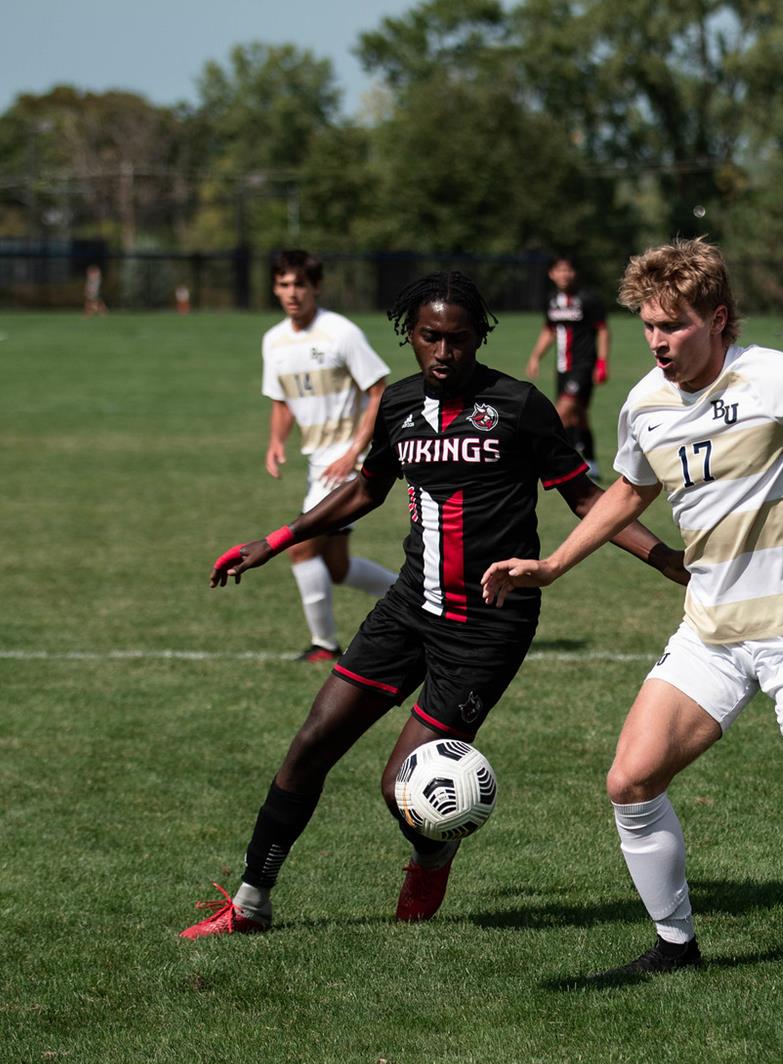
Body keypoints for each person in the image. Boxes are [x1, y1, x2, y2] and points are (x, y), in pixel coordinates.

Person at [183, 272, 688, 938]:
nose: (443, 352)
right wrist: (278, 538)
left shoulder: (518, 406)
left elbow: (590, 499)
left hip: (487, 626)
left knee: (403, 789)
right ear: (411, 335)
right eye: (429, 337)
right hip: (408, 608)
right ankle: (250, 901)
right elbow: (366, 490)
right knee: (310, 744)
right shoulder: (397, 405)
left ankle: (434, 850)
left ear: (479, 337)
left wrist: (670, 563)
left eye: (457, 338)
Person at [483, 239, 783, 978]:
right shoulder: (644, 406)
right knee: (629, 779)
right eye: (649, 327)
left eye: (674, 325)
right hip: (712, 634)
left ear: (718, 318)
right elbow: (629, 491)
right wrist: (555, 565)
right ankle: (676, 945)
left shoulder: (772, 378)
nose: (658, 341)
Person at [259, 250, 401, 661]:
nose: (292, 293)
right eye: (284, 284)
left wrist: (356, 451)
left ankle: (324, 646)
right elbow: (281, 402)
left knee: (300, 547)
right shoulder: (274, 340)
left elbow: (379, 389)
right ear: (275, 288)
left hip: (346, 462)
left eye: (300, 284)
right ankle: (423, 605)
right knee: (336, 568)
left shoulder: (341, 332)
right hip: (318, 462)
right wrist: (275, 442)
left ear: (316, 287)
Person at [524, 255, 610, 474]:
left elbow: (602, 330)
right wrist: (535, 357)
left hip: (583, 365)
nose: (564, 275)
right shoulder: (552, 300)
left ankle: (547, 462)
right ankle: (591, 463)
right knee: (578, 416)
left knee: (561, 412)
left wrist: (601, 362)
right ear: (551, 274)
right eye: (559, 270)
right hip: (562, 367)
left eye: (568, 270)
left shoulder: (588, 299)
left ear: (575, 273)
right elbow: (549, 330)